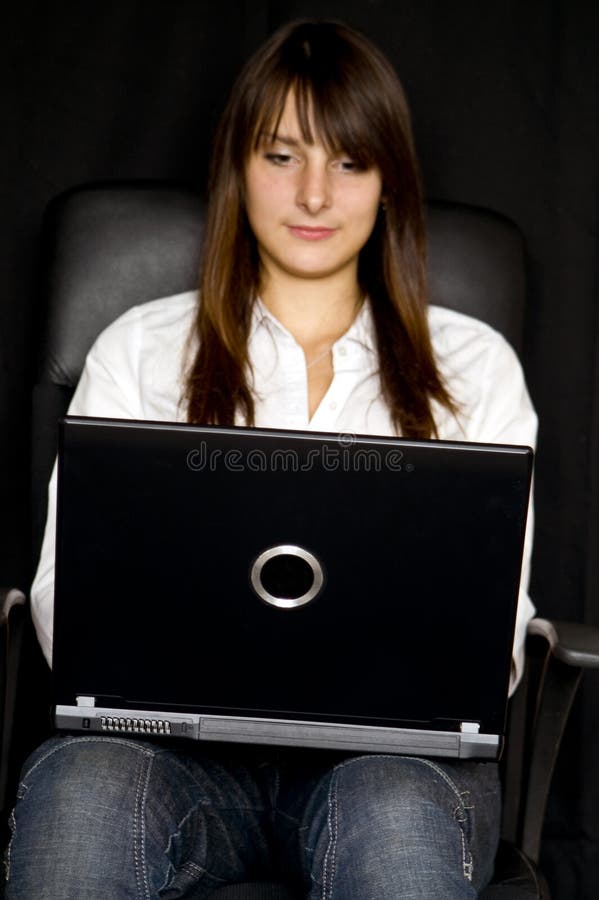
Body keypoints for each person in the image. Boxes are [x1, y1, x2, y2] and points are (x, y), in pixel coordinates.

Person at [5, 19, 537, 900]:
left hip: (391, 765)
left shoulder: (472, 367)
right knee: (83, 795)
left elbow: (495, 633)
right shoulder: (139, 348)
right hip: (167, 755)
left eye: (349, 161)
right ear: (236, 169)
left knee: (398, 820)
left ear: (389, 182)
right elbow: (68, 600)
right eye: (283, 156)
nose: (315, 195)